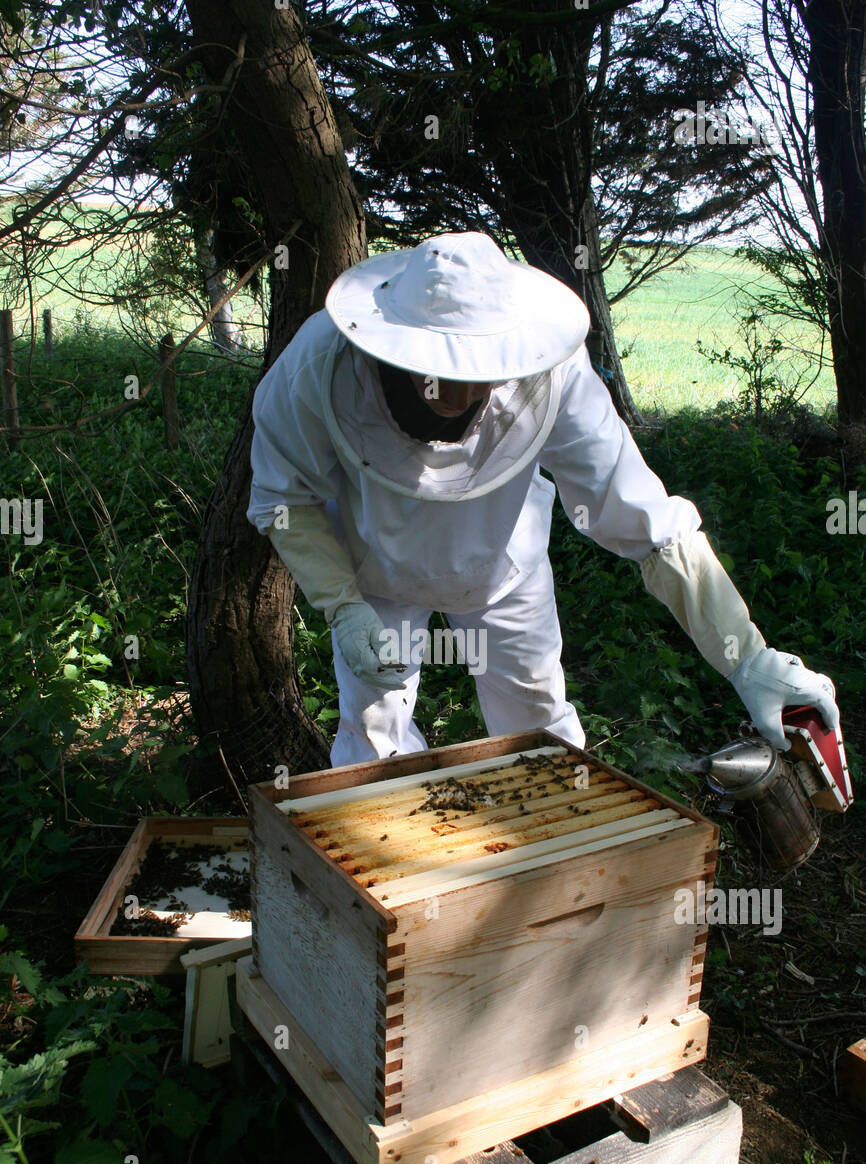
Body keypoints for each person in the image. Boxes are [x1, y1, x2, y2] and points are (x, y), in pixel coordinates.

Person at [247, 231, 840, 767]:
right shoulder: (316, 367)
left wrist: (748, 658)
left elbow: (642, 516)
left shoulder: (554, 375)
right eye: (435, 368)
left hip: (505, 571)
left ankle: (553, 878)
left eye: (479, 369)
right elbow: (283, 500)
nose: (456, 393)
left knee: (540, 735)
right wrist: (342, 604)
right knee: (373, 742)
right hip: (372, 579)